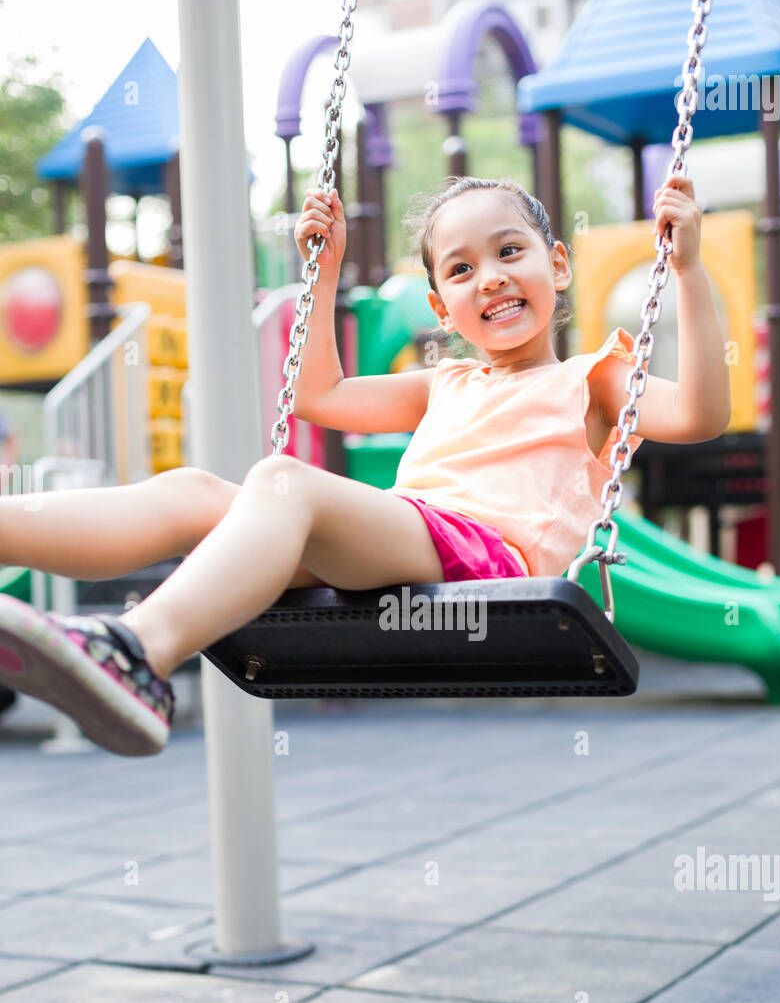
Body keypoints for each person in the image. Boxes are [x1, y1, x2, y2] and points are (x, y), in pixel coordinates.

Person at [0, 173, 730, 758]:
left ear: (557, 264)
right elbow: (320, 393)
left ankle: (133, 652)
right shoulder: (444, 381)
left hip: (485, 561)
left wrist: (688, 268)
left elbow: (700, 412)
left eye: (511, 253)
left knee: (281, 482)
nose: (491, 280)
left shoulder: (592, 379)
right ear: (443, 308)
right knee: (193, 491)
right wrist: (325, 275)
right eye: (462, 270)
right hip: (409, 542)